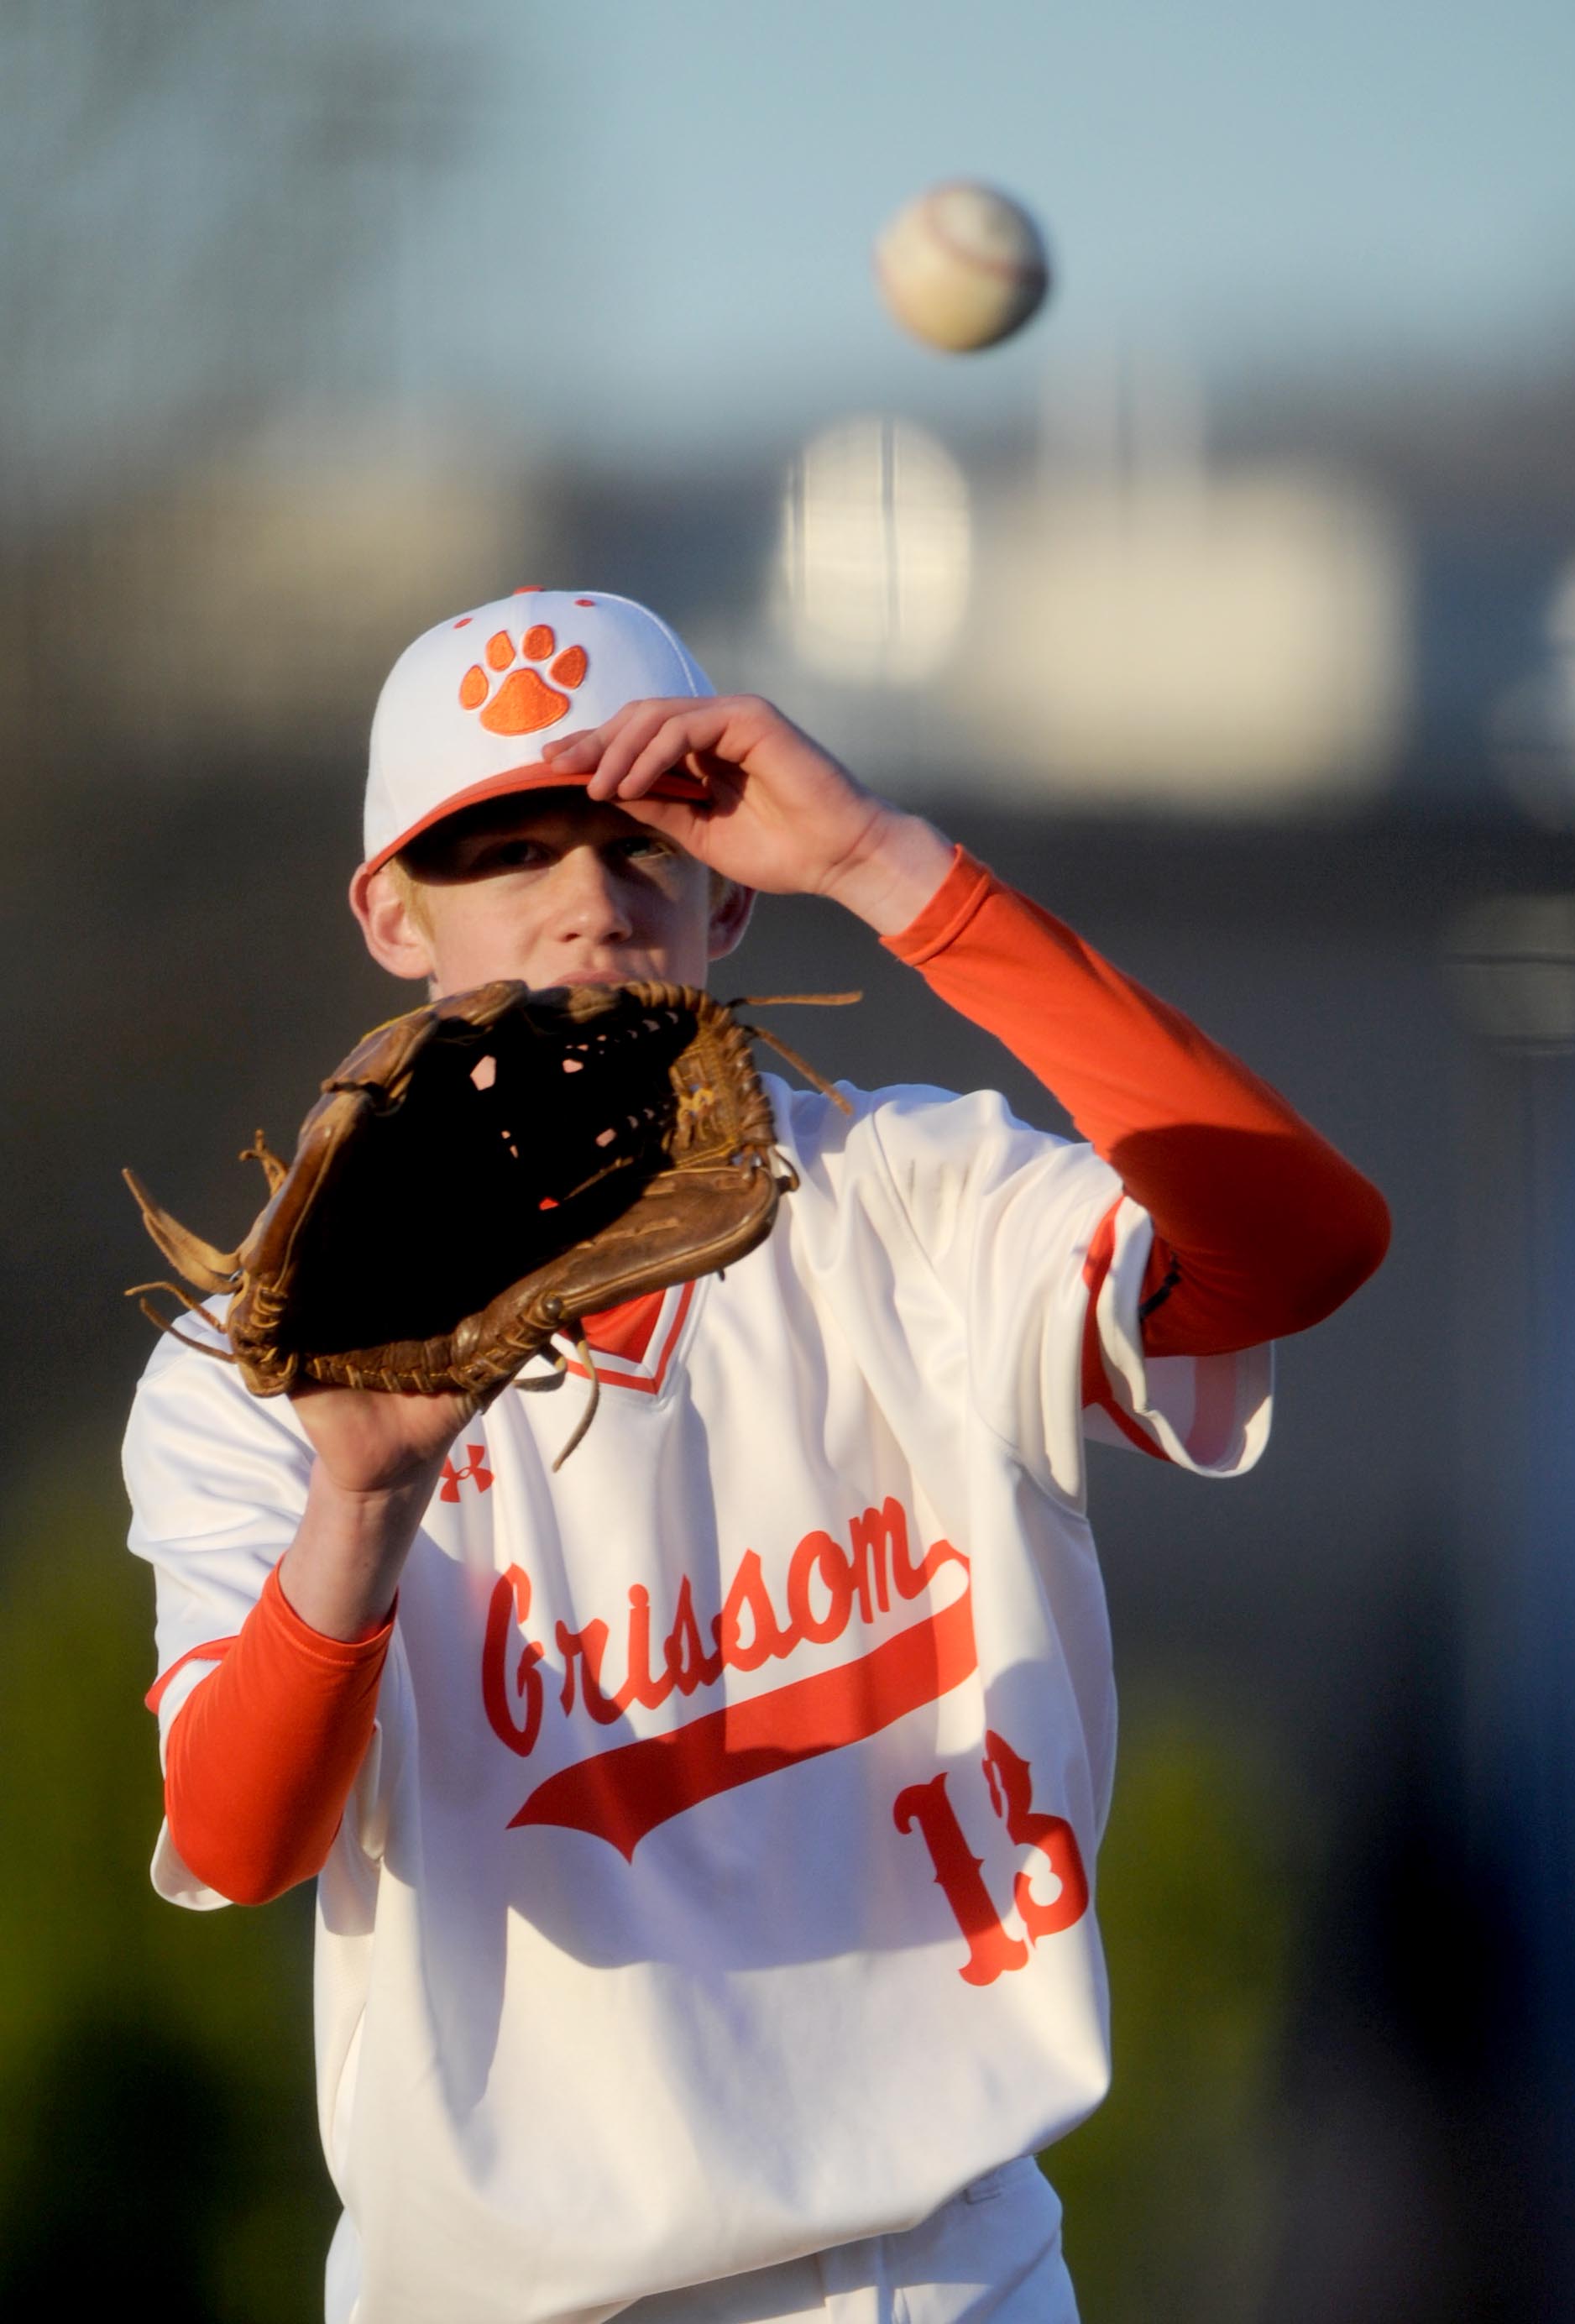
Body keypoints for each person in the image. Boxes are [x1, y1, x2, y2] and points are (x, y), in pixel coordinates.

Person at [125, 588, 1389, 2324]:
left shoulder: (915, 1206)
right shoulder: (262, 1360)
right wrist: (360, 1503)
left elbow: (1305, 1247)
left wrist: (886, 863)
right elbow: (240, 1836)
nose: (586, 901)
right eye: (505, 846)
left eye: (643, 833)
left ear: (727, 884)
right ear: (391, 914)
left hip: (928, 2278)